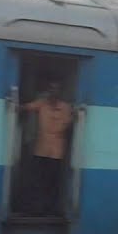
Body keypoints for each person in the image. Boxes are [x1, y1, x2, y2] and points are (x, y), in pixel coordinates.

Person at [19, 79, 74, 215]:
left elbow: (68, 125)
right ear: (47, 91)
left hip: (56, 152)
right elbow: (25, 107)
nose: (53, 91)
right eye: (51, 88)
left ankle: (50, 210)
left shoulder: (66, 108)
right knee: (37, 181)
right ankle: (35, 209)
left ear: (60, 91)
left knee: (52, 182)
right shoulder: (41, 104)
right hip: (41, 150)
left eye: (56, 88)